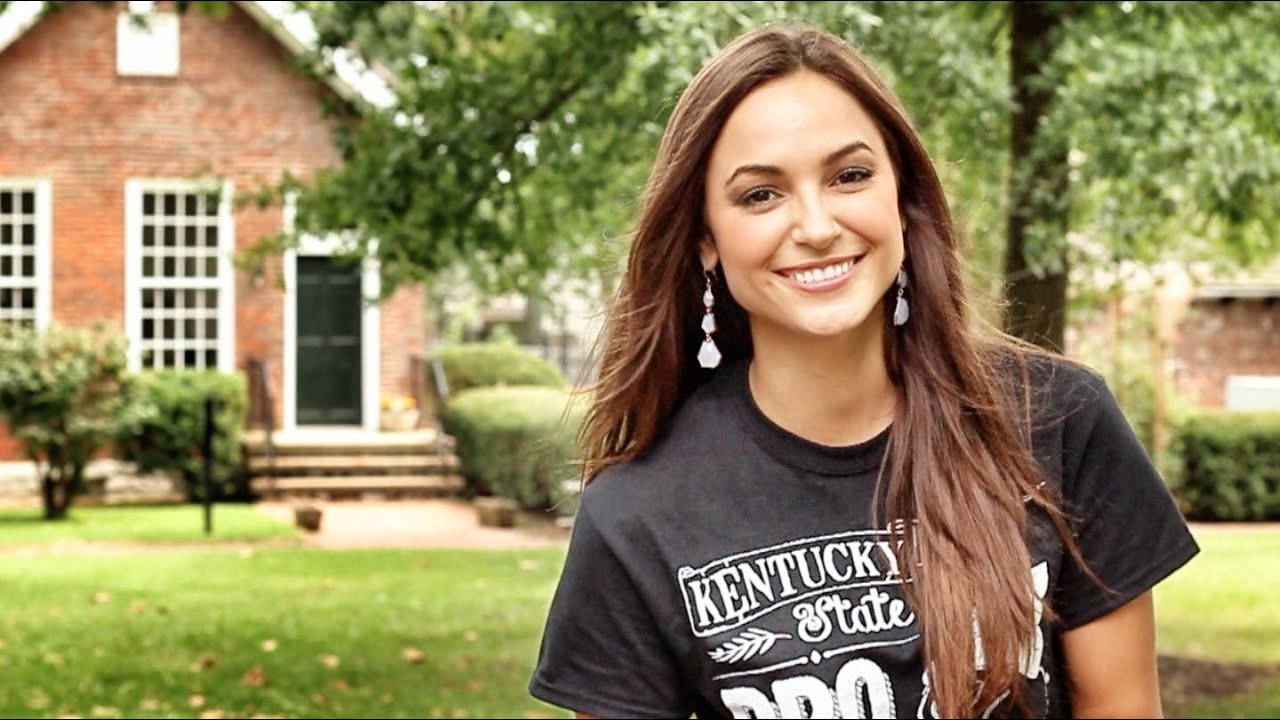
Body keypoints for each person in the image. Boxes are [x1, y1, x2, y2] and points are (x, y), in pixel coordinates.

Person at [528, 23, 1199, 720]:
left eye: (849, 176)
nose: (816, 225)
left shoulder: (1057, 422)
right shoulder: (639, 512)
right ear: (705, 238)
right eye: (761, 194)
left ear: (900, 197)